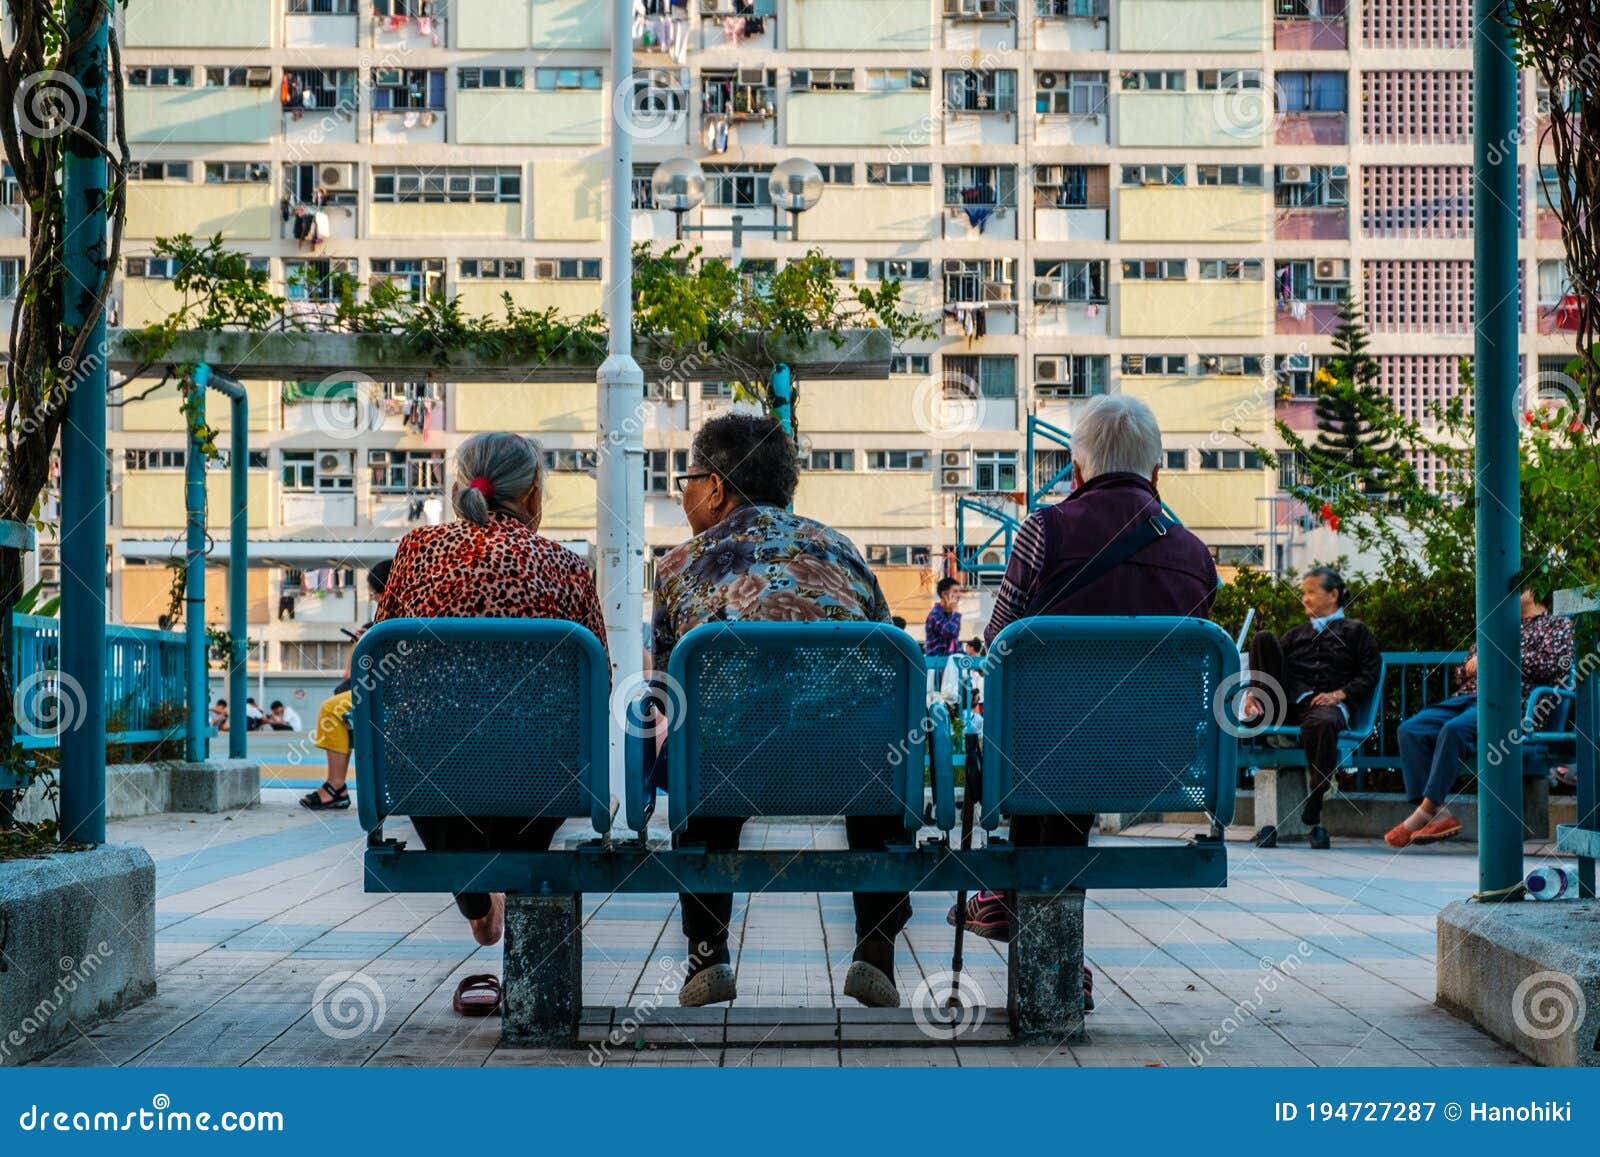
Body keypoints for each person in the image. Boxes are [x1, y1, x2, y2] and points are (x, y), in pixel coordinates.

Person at [951, 395, 1219, 1012]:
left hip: (1047, 759)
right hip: (1160, 764)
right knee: (1086, 738)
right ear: (1157, 474)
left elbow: (998, 646)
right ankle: (1038, 935)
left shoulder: (1044, 531)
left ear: (1076, 471)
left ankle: (1027, 920)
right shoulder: (1195, 556)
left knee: (1057, 737)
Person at [652, 412, 906, 1010]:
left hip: (726, 773)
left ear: (716, 488)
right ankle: (875, 950)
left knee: (699, 751)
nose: (684, 494)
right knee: (873, 744)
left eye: (688, 480)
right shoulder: (841, 550)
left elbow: (666, 689)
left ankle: (708, 956)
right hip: (848, 769)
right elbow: (888, 661)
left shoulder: (677, 567)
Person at [369, 432, 606, 1011]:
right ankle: (503, 915)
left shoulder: (415, 552)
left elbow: (381, 662)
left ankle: (478, 903)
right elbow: (597, 677)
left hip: (428, 778)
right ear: (534, 496)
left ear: (460, 488)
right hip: (539, 783)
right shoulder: (568, 568)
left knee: (448, 774)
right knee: (526, 768)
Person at [1389, 584, 1573, 847]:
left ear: (1535, 589)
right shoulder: (1498, 625)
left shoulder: (1556, 625)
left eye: (1517, 587)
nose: (1508, 592)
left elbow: (1553, 664)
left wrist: (1495, 658)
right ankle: (1438, 814)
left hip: (1512, 703)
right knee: (1411, 730)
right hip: (1469, 698)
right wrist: (1468, 667)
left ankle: (1425, 814)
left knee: (1454, 730)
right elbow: (1462, 671)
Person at [1244, 567, 1382, 850]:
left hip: (1326, 706)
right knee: (1263, 639)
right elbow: (1270, 666)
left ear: (1333, 595)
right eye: (1303, 592)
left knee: (1322, 722)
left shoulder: (1356, 631)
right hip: (1288, 702)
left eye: (1311, 592)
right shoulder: (1296, 635)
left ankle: (1317, 793)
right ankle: (1259, 706)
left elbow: (1370, 672)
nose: (1304, 598)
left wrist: (1340, 694)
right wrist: (1252, 693)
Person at [300, 558, 395, 812]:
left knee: (332, 710)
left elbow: (357, 674)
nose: (375, 601)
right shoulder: (421, 610)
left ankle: (335, 786)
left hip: (393, 696)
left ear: (385, 591)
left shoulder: (388, 621)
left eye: (375, 595)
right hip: (411, 695)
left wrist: (365, 645)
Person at [924, 576, 962, 657]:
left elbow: (955, 643)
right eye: (955, 591)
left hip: (949, 661)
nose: (959, 595)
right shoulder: (935, 615)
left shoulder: (950, 615)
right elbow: (951, 632)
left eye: (959, 591)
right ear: (944, 594)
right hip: (937, 661)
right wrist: (955, 612)